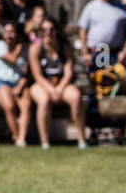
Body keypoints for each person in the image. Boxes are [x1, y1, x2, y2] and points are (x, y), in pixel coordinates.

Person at [29, 17, 86, 149]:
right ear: (40, 32)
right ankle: (45, 142)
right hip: (42, 84)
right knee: (44, 100)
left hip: (62, 84)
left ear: (56, 30)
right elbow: (37, 75)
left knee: (76, 97)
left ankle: (82, 139)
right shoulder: (36, 49)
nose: (48, 33)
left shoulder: (65, 47)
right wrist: (51, 90)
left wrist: (59, 88)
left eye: (51, 29)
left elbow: (68, 73)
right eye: (44, 30)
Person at [0, 19, 32, 147]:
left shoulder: (26, 51)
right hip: (1, 82)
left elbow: (27, 73)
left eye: (12, 32)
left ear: (17, 34)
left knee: (26, 105)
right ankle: (16, 136)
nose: (8, 35)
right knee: (10, 107)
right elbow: (12, 58)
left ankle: (21, 138)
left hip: (19, 82)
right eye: (6, 32)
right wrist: (20, 46)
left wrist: (20, 86)